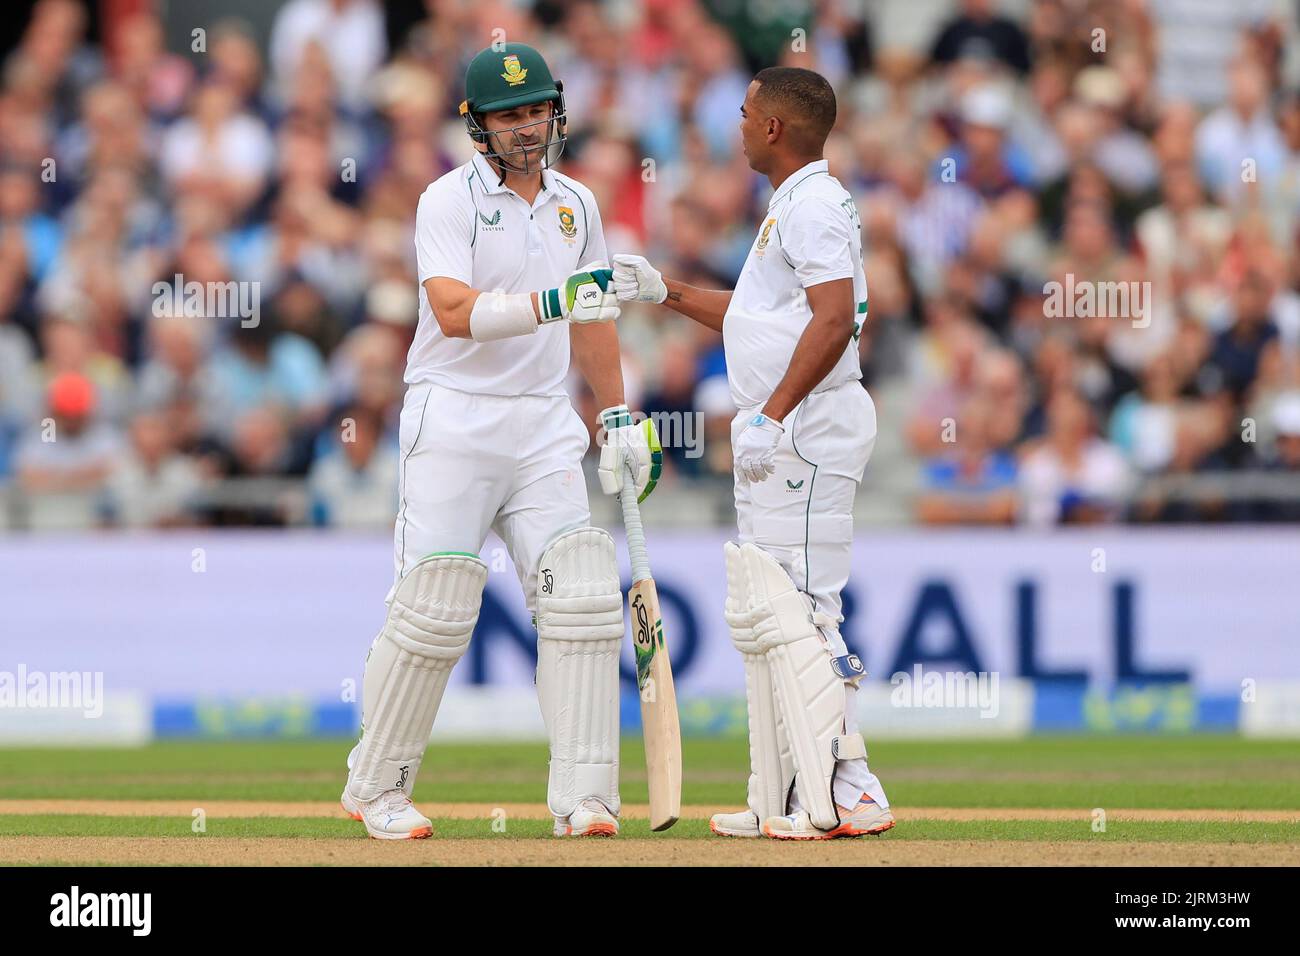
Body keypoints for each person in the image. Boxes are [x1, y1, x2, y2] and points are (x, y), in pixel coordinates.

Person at [339, 43, 660, 840]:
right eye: (509, 115)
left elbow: (593, 319)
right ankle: (377, 786)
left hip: (544, 419)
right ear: (477, 126)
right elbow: (453, 311)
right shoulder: (444, 201)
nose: (527, 127)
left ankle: (585, 797)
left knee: (582, 597)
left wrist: (615, 414)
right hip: (454, 415)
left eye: (537, 110)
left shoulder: (577, 203)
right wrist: (559, 298)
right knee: (435, 607)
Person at [612, 67, 893, 840]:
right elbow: (757, 319)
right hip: (788, 427)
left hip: (805, 428)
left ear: (773, 128)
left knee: (804, 610)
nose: (736, 126)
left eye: (743, 115)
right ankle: (782, 790)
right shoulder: (792, 206)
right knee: (768, 610)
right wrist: (662, 291)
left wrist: (770, 416)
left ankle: (853, 789)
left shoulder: (812, 208)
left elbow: (834, 321)